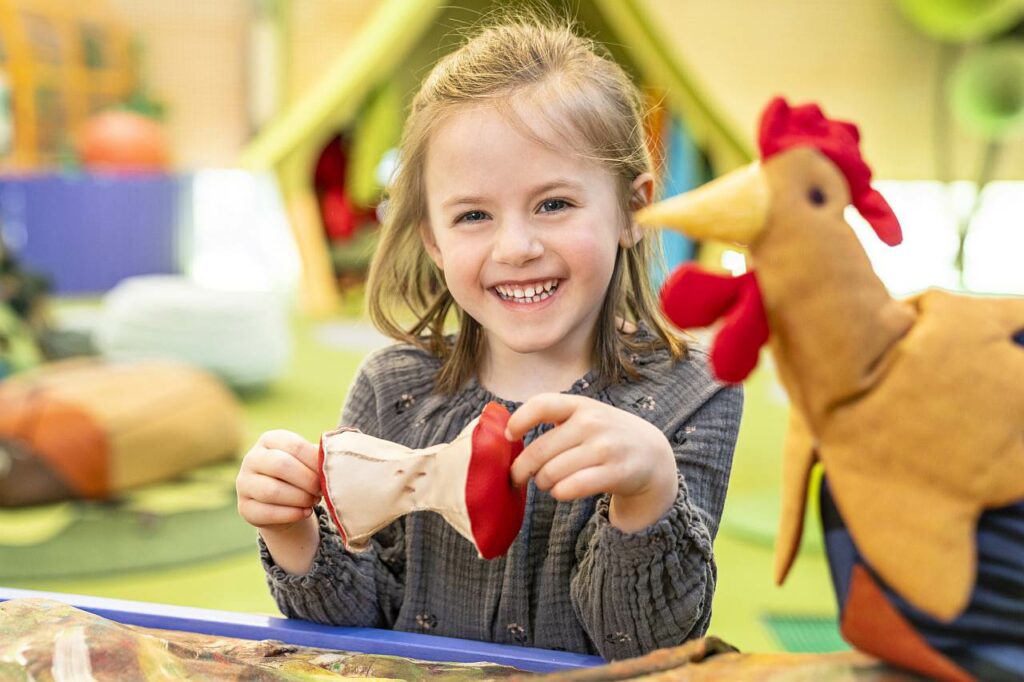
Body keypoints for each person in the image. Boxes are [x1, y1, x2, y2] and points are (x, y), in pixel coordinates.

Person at [235, 17, 742, 661]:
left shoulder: (694, 389)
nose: (517, 248)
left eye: (553, 204)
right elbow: (357, 621)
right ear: (434, 242)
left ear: (632, 209)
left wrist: (647, 491)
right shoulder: (394, 389)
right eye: (474, 215)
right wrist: (293, 531)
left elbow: (650, 643)